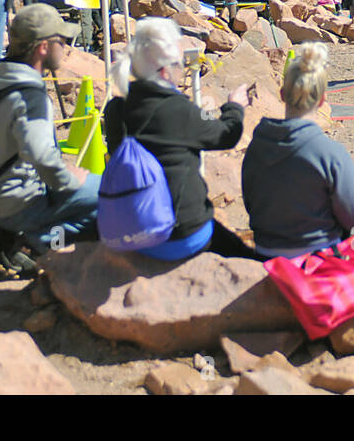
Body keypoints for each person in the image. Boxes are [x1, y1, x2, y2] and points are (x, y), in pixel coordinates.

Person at [241, 43, 354, 289]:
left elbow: (251, 203)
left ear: (282, 94)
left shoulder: (257, 144)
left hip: (266, 251)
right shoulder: (329, 152)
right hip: (316, 260)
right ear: (323, 99)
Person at [103, 18, 258, 261]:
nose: (183, 70)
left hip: (131, 228)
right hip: (178, 233)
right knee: (247, 258)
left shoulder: (115, 108)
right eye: (180, 64)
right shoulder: (178, 109)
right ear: (165, 70)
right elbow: (227, 135)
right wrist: (234, 107)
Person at [0, 4, 98, 274]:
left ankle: (8, 233)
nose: (67, 47)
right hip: (19, 201)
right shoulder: (30, 95)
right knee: (113, 197)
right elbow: (39, 154)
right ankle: (34, 243)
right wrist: (67, 181)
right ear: (43, 47)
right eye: (62, 41)